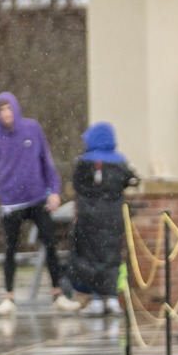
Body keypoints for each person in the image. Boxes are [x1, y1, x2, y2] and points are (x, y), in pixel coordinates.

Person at [0, 92, 81, 316]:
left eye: (9, 109)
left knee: (50, 244)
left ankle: (57, 294)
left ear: (16, 109)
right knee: (10, 247)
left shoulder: (32, 129)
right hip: (11, 202)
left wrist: (54, 191)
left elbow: (47, 163)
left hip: (37, 197)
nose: (6, 115)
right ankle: (9, 298)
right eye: (2, 111)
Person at [69, 122, 137, 316]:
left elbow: (78, 186)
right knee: (112, 257)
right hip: (113, 217)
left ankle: (97, 299)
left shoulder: (84, 162)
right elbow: (130, 179)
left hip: (89, 219)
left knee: (92, 257)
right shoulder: (119, 162)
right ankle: (113, 298)